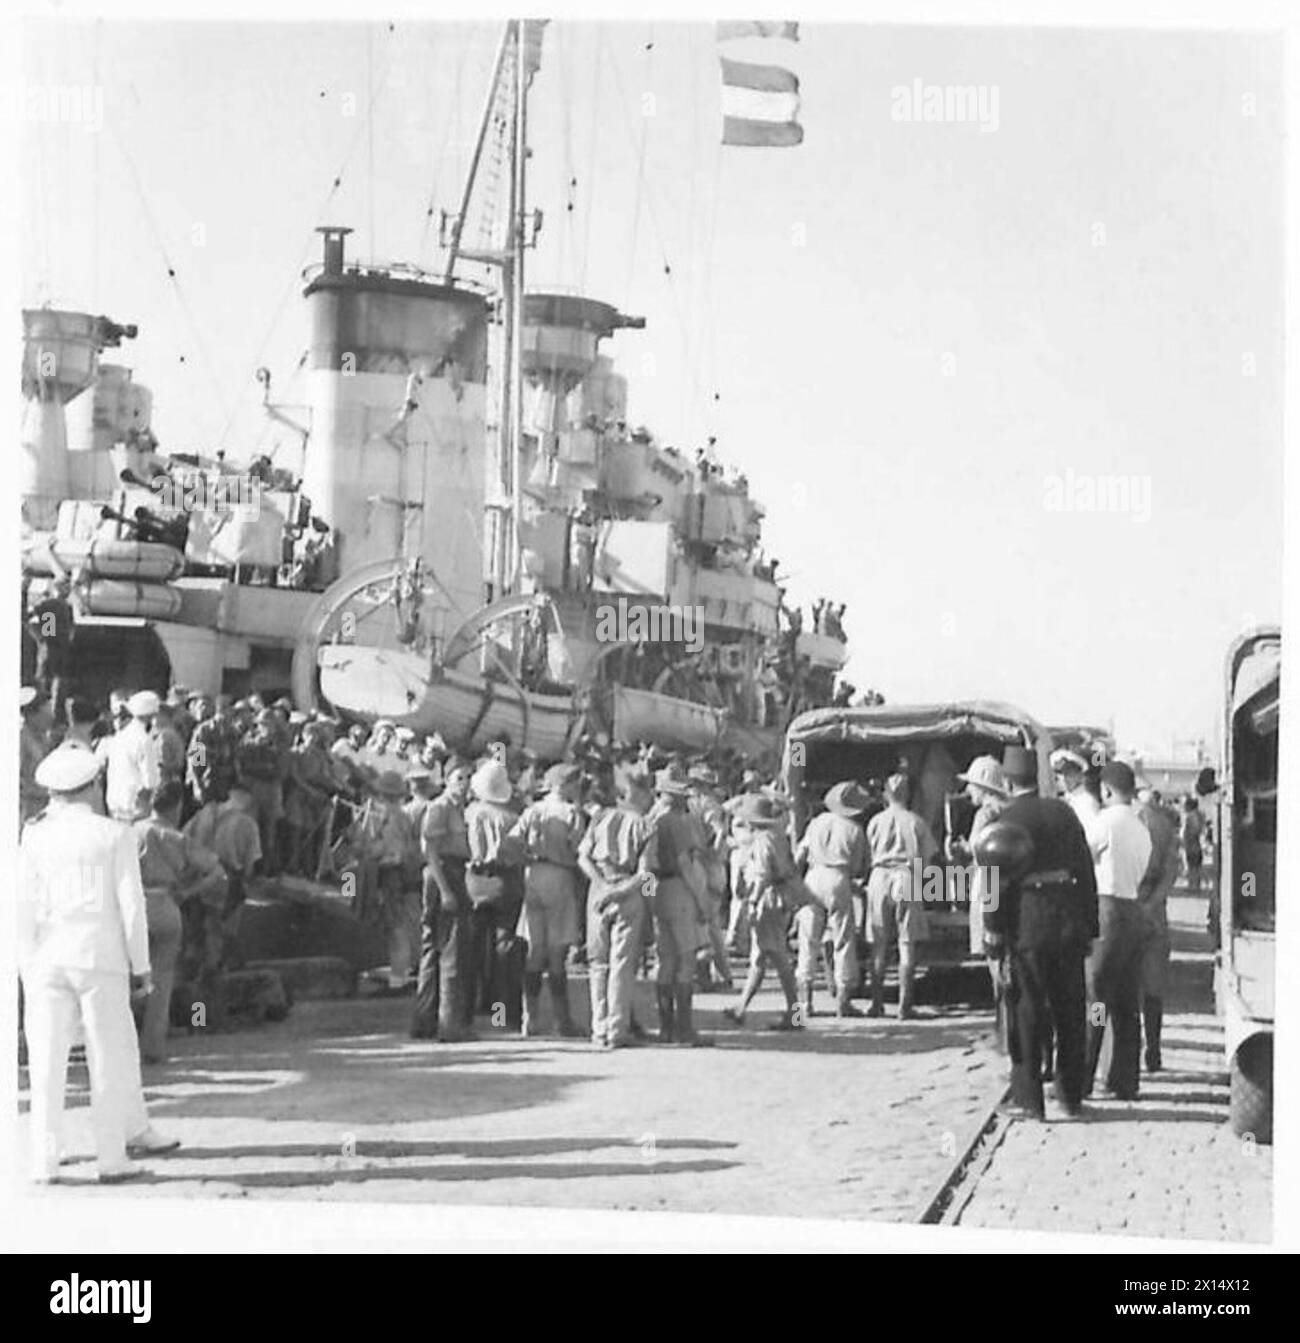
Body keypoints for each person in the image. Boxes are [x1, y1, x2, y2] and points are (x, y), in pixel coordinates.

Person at [18, 747, 179, 1183]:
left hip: (47, 958)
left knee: (47, 1061)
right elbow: (131, 907)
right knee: (106, 1057)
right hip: (99, 958)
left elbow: (22, 904)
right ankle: (111, 1158)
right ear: (90, 788)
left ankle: (44, 1161)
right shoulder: (113, 834)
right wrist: (141, 966)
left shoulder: (33, 835)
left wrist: (24, 962)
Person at [978, 744, 1098, 1120]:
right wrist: (1090, 924)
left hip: (1027, 923)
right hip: (1068, 921)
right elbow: (1086, 871)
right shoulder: (1063, 812)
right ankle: (1071, 1095)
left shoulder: (1006, 818)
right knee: (1071, 1010)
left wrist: (993, 933)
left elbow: (995, 883)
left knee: (1026, 1010)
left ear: (1008, 781)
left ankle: (1029, 1099)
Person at [133, 780, 227, 1063]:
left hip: (134, 907)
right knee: (161, 982)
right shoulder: (177, 838)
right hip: (167, 905)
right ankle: (153, 1048)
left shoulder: (131, 832)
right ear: (177, 807)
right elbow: (217, 873)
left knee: (127, 978)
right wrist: (187, 892)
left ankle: (121, 1043)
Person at [1083, 761, 1153, 1101]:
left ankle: (1082, 1076)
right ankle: (1126, 1080)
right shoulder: (1141, 828)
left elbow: (1085, 857)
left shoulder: (1105, 822)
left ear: (1107, 790)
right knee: (1127, 1002)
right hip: (1133, 910)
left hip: (1107, 910)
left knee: (1096, 998)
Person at [578, 767, 655, 1049]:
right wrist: (624, 892)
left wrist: (602, 886)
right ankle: (616, 1028)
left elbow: (583, 858)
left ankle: (598, 1028)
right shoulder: (645, 825)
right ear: (640, 793)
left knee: (598, 963)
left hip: (598, 890)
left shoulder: (600, 817)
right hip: (628, 891)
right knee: (622, 963)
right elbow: (647, 874)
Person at [510, 762, 586, 1038]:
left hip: (534, 874)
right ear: (563, 785)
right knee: (557, 952)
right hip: (559, 873)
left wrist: (526, 858)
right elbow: (578, 848)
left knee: (534, 949)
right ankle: (561, 1019)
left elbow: (513, 840)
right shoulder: (571, 812)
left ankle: (529, 1018)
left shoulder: (534, 810)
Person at [723, 792, 807, 1031]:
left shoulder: (762, 841)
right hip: (778, 897)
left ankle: (794, 1013)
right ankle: (742, 1006)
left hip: (768, 900)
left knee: (778, 958)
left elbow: (762, 875)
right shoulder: (776, 836)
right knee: (760, 958)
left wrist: (752, 902)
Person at [643, 767, 713, 1045]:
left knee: (666, 960)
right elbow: (685, 863)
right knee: (686, 958)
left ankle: (666, 1028)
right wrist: (701, 901)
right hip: (679, 888)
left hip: (658, 887)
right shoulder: (677, 822)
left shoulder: (652, 818)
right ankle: (684, 1029)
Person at [864, 773, 939, 1019]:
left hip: (879, 878)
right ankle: (905, 1007)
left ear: (886, 793)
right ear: (908, 794)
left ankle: (876, 1004)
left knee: (879, 944)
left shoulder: (875, 821)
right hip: (905, 877)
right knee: (907, 944)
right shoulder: (916, 822)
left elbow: (866, 855)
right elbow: (929, 860)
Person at [412, 757, 476, 1042]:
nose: (464, 784)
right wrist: (446, 890)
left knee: (434, 951)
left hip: (452, 873)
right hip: (443, 874)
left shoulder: (457, 808)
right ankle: (450, 1025)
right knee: (450, 950)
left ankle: (426, 1021)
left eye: (468, 778)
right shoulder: (440, 807)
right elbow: (431, 853)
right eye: (459, 778)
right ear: (447, 778)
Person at [947, 756, 1009, 1046]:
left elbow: (978, 846)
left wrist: (958, 847)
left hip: (987, 885)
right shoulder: (1008, 810)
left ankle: (1004, 1030)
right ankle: (1008, 1028)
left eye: (972, 785)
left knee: (994, 961)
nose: (969, 791)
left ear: (983, 786)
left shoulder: (984, 814)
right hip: (1005, 884)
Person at [794, 781, 869, 1019]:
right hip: (838, 878)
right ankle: (843, 1001)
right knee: (843, 939)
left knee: (808, 939)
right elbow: (858, 867)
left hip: (813, 876)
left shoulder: (816, 822)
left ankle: (805, 1002)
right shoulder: (855, 830)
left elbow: (800, 854)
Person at [465, 758, 527, 1031]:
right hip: (506, 881)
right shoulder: (512, 819)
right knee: (505, 947)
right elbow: (519, 853)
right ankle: (502, 1012)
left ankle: (473, 1003)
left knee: (474, 945)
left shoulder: (470, 813)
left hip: (475, 879)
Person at [354, 771, 422, 990]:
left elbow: (388, 852)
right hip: (401, 876)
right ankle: (401, 974)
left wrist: (368, 854)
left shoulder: (382, 817)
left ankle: (398, 978)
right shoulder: (403, 817)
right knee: (399, 926)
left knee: (396, 928)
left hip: (389, 875)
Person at [1135, 790, 1181, 1073]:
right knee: (1153, 990)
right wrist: (1152, 904)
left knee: (1101, 995)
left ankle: (1096, 1052)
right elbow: (1172, 870)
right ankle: (1153, 1047)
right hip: (1153, 914)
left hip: (1119, 911)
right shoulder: (1163, 824)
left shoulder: (1113, 820)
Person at [687, 763, 734, 992]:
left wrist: (713, 853)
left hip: (706, 866)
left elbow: (720, 831)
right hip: (709, 866)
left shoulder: (704, 804)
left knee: (709, 924)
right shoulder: (707, 803)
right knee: (708, 923)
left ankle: (720, 974)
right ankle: (717, 974)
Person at [103, 690, 163, 823]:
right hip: (136, 805)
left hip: (116, 802)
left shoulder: (120, 737)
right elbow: (150, 781)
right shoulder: (145, 739)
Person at [19, 686, 51, 827]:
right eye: (47, 711)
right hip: (26, 809)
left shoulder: (44, 737)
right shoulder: (20, 738)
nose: (51, 716)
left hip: (44, 807)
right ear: (32, 715)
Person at [1051, 748, 1099, 829]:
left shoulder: (1086, 801)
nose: (1063, 778)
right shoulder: (1067, 800)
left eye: (1068, 773)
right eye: (1059, 774)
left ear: (1080, 774)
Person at [1180, 797, 1206, 894]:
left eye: (1185, 805)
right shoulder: (1198, 815)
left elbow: (1195, 830)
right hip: (1194, 844)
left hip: (1192, 844)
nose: (1183, 807)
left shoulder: (1191, 816)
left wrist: (1187, 837)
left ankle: (1193, 886)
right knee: (1194, 866)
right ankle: (1194, 885)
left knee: (1192, 865)